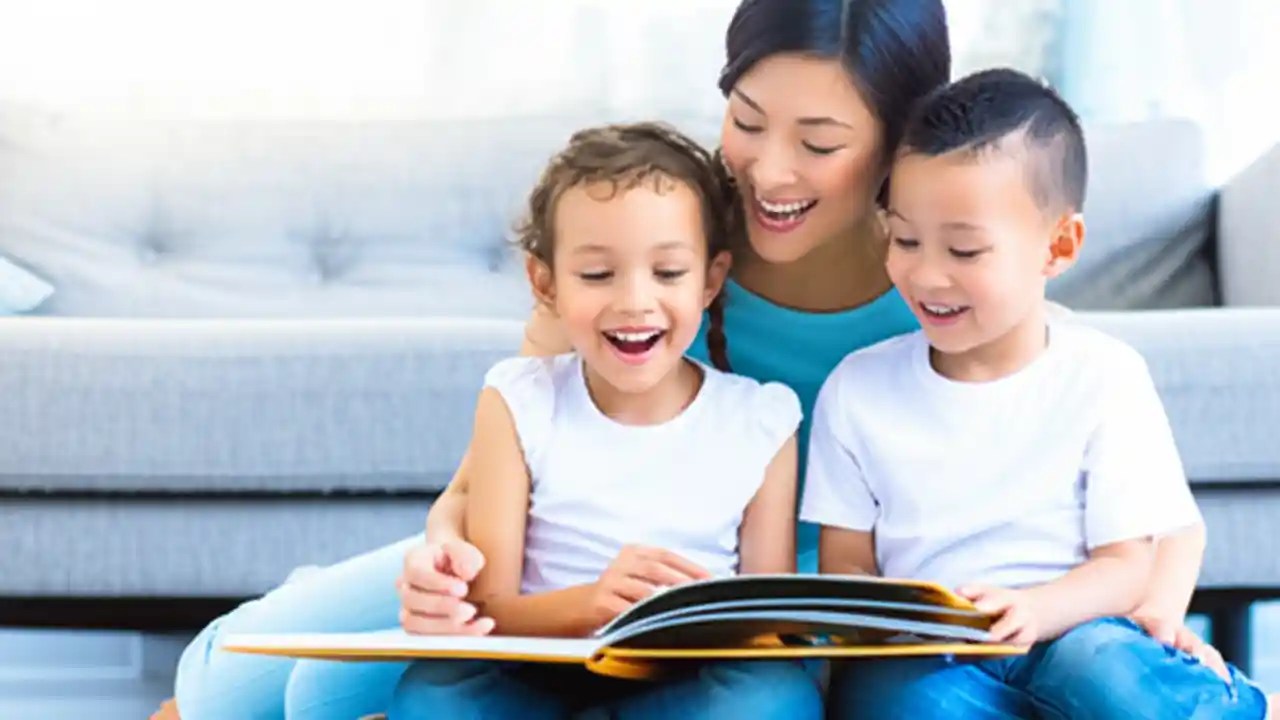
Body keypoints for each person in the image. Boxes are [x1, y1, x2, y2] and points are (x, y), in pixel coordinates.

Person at [165, 1, 1225, 718]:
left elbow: (1141, 512)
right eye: (745, 121)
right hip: (573, 564)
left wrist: (1149, 630)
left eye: (818, 143)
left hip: (802, 592)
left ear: (904, 141)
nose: (768, 169)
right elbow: (502, 451)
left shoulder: (953, 269)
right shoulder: (663, 241)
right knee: (253, 681)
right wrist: (448, 553)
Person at [800, 67, 1271, 719]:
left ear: (1059, 245)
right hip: (936, 657)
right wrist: (896, 619)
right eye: (905, 239)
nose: (926, 274)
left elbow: (1127, 567)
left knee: (1107, 672)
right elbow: (846, 566)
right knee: (894, 702)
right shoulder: (857, 390)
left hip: (1074, 630)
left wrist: (1036, 610)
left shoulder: (1102, 375)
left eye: (964, 250)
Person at [382, 120, 819, 718]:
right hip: (535, 672)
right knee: (435, 697)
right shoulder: (518, 400)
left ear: (712, 279)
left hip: (688, 684)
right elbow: (490, 608)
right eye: (596, 275)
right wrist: (590, 604)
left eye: (668, 273)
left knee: (773, 697)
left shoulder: (762, 419)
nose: (635, 301)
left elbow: (769, 624)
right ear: (546, 283)